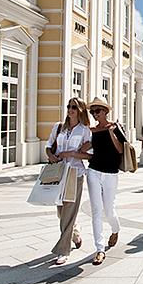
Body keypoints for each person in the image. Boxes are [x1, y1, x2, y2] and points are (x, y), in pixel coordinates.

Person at [46, 97, 92, 265]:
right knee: (61, 212)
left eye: (74, 107)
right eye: (69, 106)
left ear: (80, 110)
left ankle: (63, 250)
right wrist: (51, 156)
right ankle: (75, 233)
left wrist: (71, 153)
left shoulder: (85, 130)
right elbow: (49, 145)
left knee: (68, 212)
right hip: (58, 173)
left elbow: (90, 155)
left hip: (75, 173)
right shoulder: (58, 127)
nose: (70, 109)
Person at [87, 97, 125, 266]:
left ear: (105, 112)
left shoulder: (115, 127)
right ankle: (99, 249)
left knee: (109, 210)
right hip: (93, 171)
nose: (95, 114)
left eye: (97, 111)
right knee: (96, 210)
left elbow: (120, 150)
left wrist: (110, 132)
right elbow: (88, 147)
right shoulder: (92, 130)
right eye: (92, 111)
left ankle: (115, 229)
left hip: (110, 173)